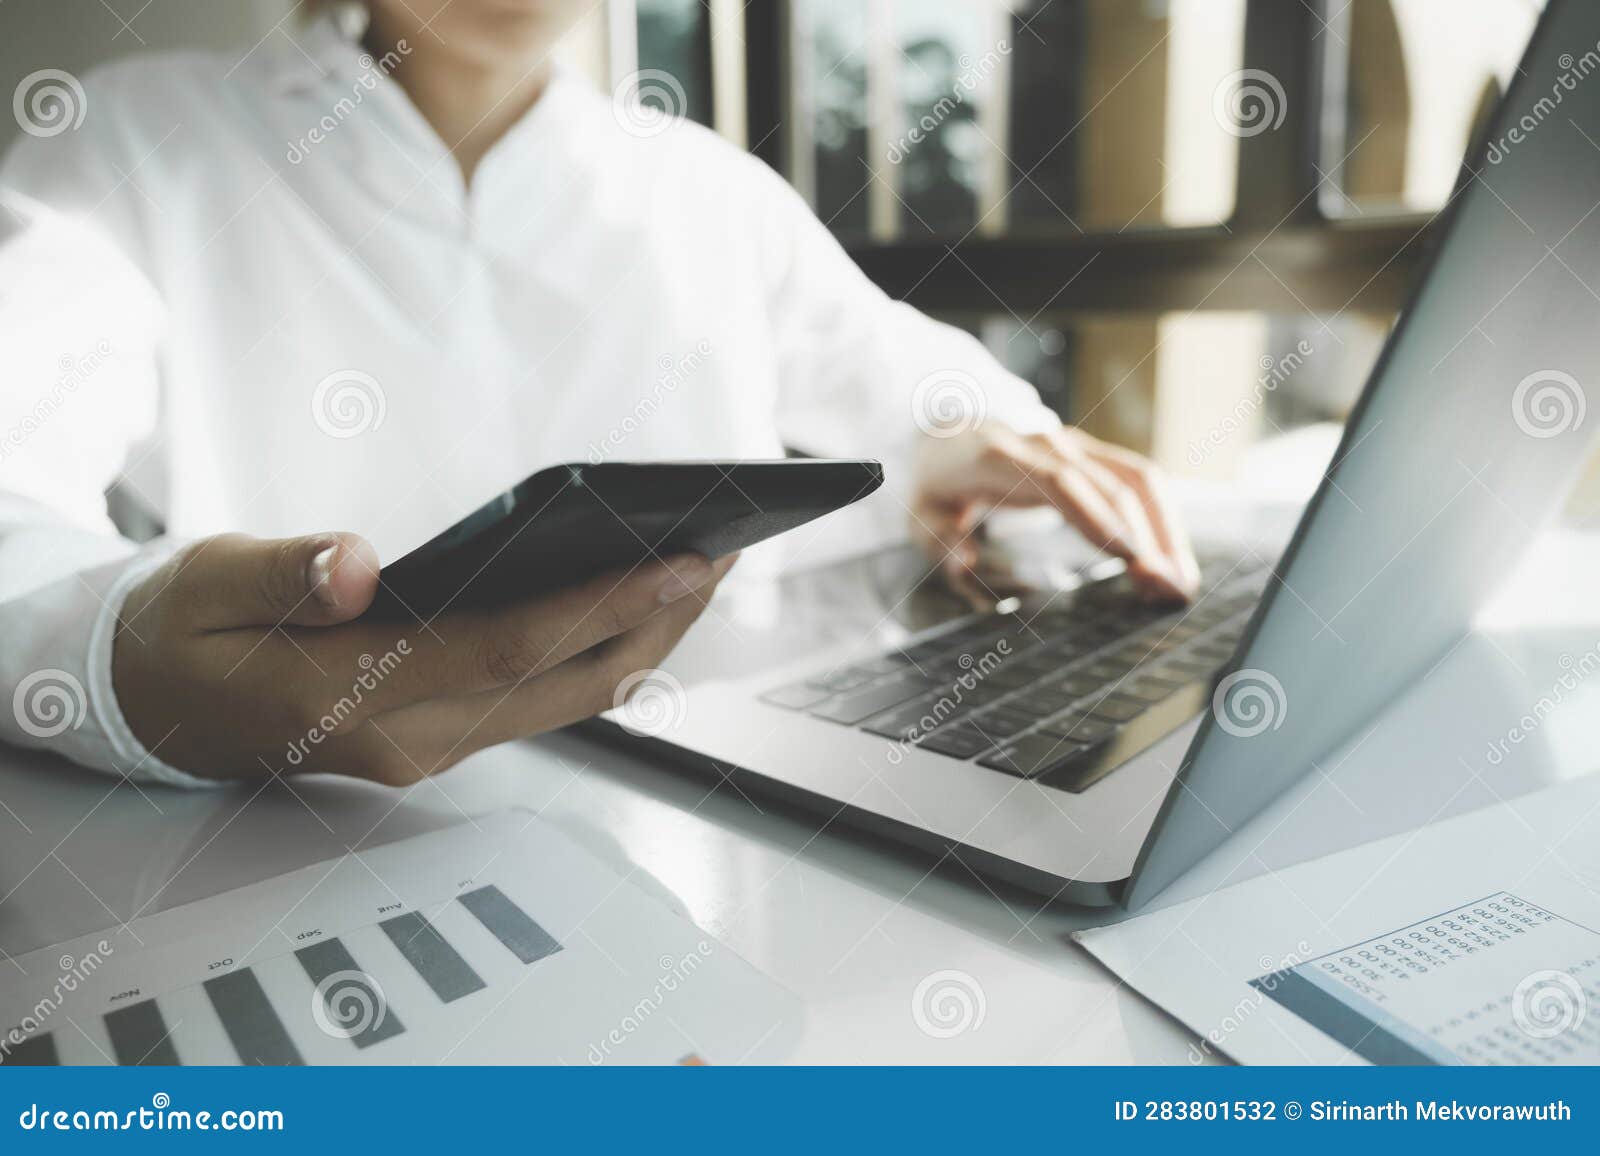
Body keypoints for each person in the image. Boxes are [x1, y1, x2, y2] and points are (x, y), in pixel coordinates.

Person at [0, 0, 1198, 789]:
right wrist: (121, 662)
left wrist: (966, 431)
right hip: (304, 849)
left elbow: (888, 364)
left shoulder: (703, 187)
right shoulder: (132, 143)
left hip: (739, 825)